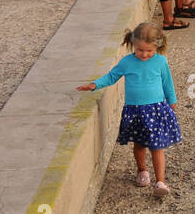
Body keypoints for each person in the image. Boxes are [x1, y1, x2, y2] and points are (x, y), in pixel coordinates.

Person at [77, 21, 180, 198]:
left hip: (156, 110)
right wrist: (95, 85)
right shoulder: (127, 62)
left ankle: (160, 181)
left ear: (157, 46)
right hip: (135, 111)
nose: (145, 54)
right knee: (139, 145)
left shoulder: (161, 62)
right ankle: (142, 170)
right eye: (140, 50)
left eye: (149, 51)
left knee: (157, 147)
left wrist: (172, 101)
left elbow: (167, 82)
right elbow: (112, 76)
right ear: (133, 44)